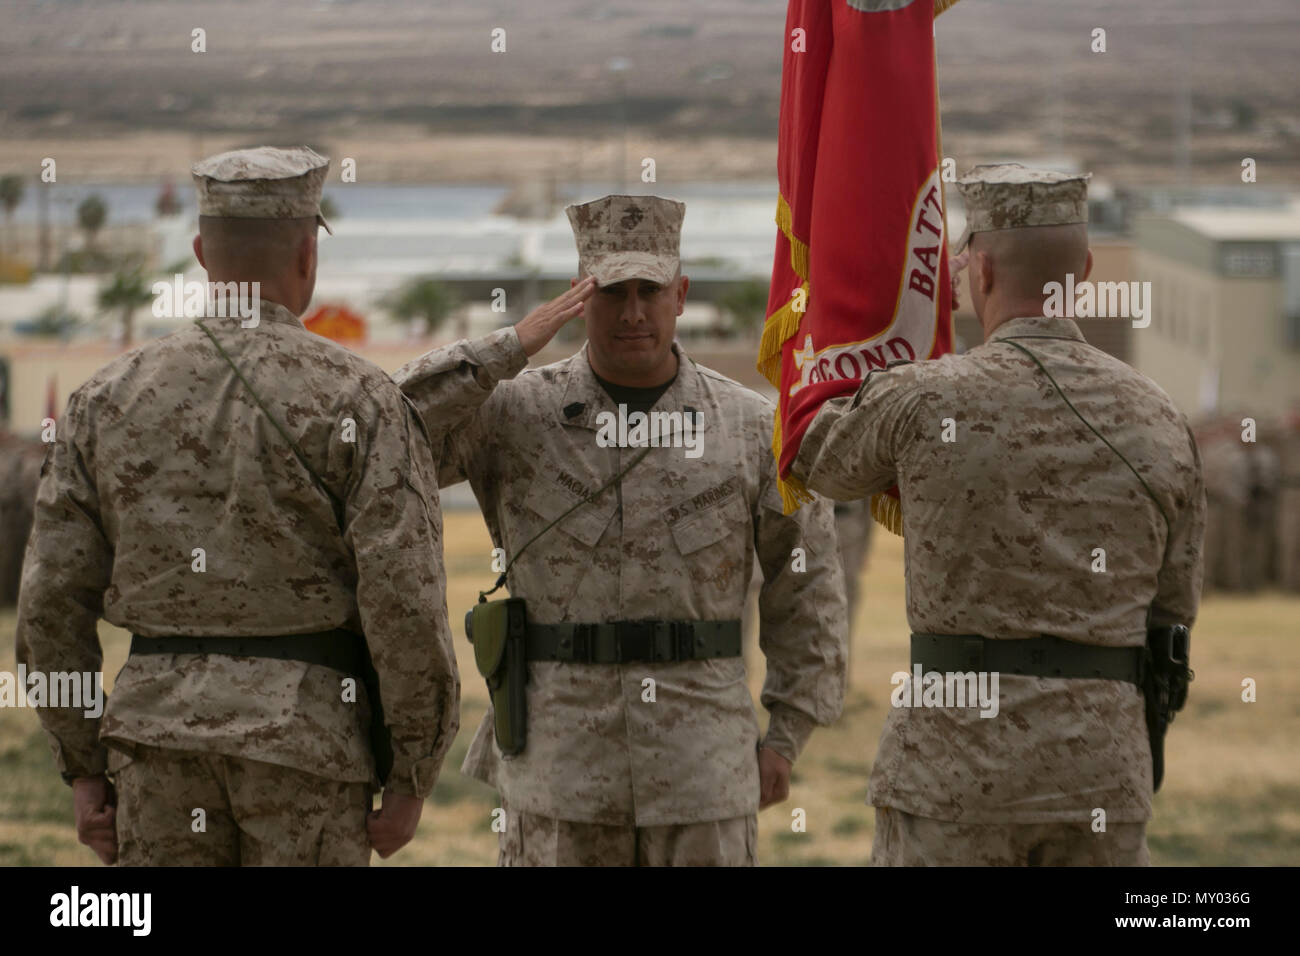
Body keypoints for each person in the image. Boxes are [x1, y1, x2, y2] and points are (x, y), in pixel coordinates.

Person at [15, 146, 459, 866]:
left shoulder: (106, 399)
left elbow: (49, 601)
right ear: (308, 256)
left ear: (199, 253)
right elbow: (404, 595)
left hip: (153, 748)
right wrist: (413, 771)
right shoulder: (361, 399)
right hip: (308, 746)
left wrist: (83, 765)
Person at [394, 193, 847, 866]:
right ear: (580, 299)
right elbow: (388, 435)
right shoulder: (512, 415)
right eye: (611, 293)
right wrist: (507, 348)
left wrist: (786, 732)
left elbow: (807, 585)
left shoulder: (752, 427)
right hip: (559, 773)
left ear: (681, 294)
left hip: (702, 772)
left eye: (649, 290)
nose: (633, 312)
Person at [788, 164, 1206, 866]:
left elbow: (813, 460)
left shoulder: (920, 401)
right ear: (1086, 268)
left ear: (979, 269)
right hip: (1099, 776)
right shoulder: (1161, 417)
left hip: (953, 776)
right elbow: (1173, 610)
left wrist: (833, 318)